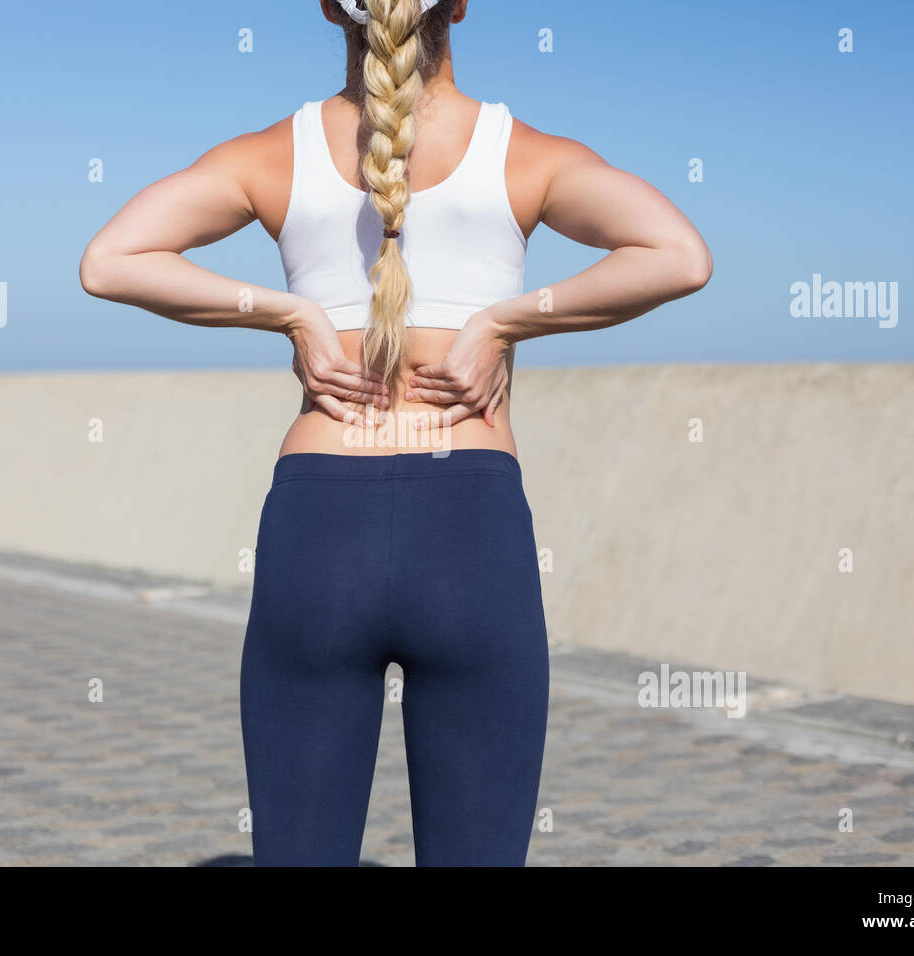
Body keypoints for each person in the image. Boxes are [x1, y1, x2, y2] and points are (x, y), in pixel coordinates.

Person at [79, 0, 711, 866]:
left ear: (332, 7)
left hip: (318, 532)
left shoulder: (270, 155)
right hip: (470, 531)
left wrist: (289, 314)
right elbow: (680, 255)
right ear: (459, 4)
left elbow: (109, 261)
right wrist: (506, 322)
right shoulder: (522, 153)